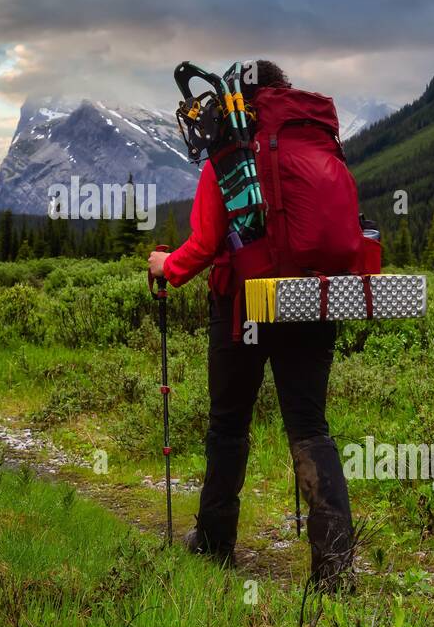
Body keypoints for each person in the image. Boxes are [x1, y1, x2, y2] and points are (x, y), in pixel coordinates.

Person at [147, 60, 355, 591]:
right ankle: (333, 569)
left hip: (245, 307)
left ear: (242, 96)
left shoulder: (231, 149)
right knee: (310, 427)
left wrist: (165, 267)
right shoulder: (317, 136)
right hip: (312, 298)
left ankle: (216, 543)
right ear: (282, 91)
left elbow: (205, 243)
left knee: (228, 424)